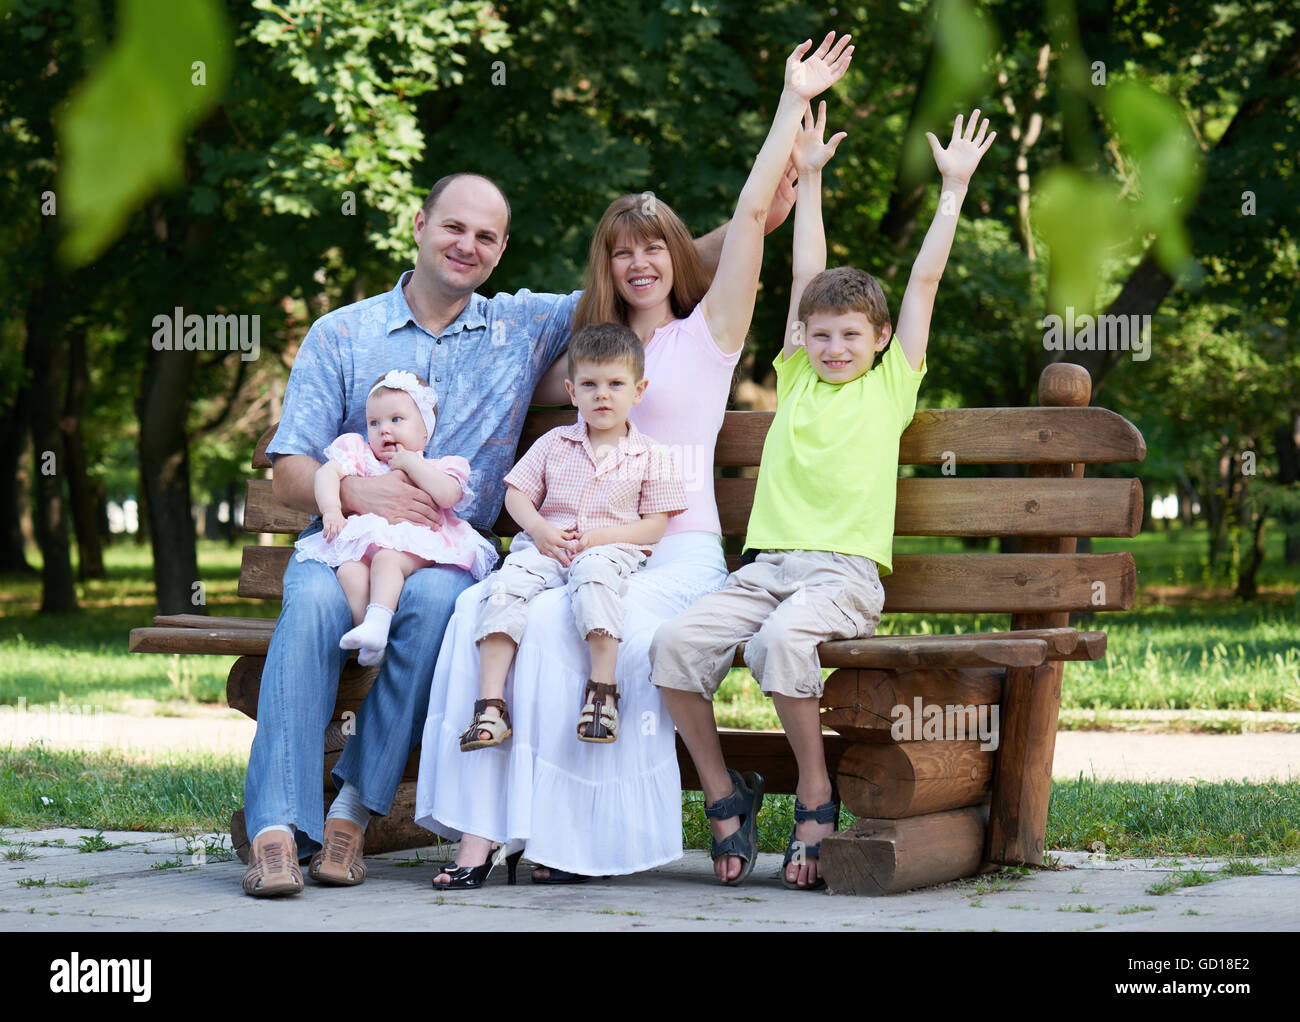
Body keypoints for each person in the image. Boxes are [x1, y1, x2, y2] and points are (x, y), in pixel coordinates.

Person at [240, 161, 782, 896]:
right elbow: (287, 468)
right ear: (419, 228)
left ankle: (352, 814)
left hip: (446, 553)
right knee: (308, 613)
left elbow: (637, 271)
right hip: (345, 545)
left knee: (439, 613)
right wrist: (361, 488)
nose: (468, 245)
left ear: (499, 252)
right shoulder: (344, 333)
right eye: (454, 228)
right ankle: (276, 828)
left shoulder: (519, 324)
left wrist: (753, 222)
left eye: (486, 237)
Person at [415, 33, 855, 887]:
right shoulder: (590, 353)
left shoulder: (711, 334)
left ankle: (580, 844)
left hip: (679, 551)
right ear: (607, 266)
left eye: (655, 246)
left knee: (589, 631)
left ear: (678, 256)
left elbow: (755, 206)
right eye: (623, 249)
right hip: (576, 549)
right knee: (497, 617)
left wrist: (790, 100)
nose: (641, 260)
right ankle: (497, 833)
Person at [652, 106, 997, 890]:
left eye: (851, 335)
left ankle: (814, 789)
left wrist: (952, 191)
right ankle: (722, 791)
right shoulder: (797, 372)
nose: (834, 347)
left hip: (841, 575)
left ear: (877, 340)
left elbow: (925, 281)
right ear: (801, 340)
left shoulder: (890, 388)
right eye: (822, 334)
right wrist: (806, 176)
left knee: (780, 645)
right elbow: (807, 273)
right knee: (672, 647)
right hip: (766, 569)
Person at [456, 322, 686, 770]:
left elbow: (655, 526)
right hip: (547, 545)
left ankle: (602, 692)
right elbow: (516, 494)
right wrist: (539, 529)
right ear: (571, 390)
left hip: (609, 549)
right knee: (506, 585)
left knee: (594, 575)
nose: (603, 394)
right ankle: (491, 704)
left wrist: (604, 537)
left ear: (638, 390)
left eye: (616, 384)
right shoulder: (553, 443)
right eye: (590, 384)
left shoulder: (652, 455)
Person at [292, 370, 498, 670]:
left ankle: (378, 622)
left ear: (425, 431)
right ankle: (372, 637)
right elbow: (325, 474)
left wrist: (413, 465)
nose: (384, 430)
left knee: (387, 560)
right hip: (366, 546)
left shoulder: (438, 466)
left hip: (416, 546)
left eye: (396, 420)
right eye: (374, 423)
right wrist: (332, 509)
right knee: (349, 571)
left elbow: (448, 496)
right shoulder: (361, 456)